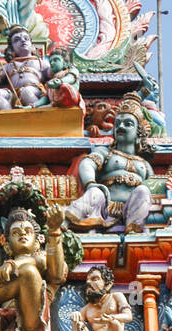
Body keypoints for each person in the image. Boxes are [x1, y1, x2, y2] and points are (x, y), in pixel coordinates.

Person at [66, 94, 153, 234]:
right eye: (117, 124)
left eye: (128, 124)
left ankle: (133, 232)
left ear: (139, 132)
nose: (121, 127)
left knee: (143, 191)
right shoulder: (107, 153)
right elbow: (87, 163)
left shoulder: (144, 164)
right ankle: (64, 222)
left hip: (132, 209)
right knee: (95, 192)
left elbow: (153, 188)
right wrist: (90, 183)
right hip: (105, 206)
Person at [72, 263, 136, 331]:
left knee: (114, 323)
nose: (89, 283)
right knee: (75, 320)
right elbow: (78, 326)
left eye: (95, 279)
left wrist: (111, 318)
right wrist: (76, 316)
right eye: (88, 280)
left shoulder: (116, 296)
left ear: (108, 284)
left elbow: (128, 316)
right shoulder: (87, 308)